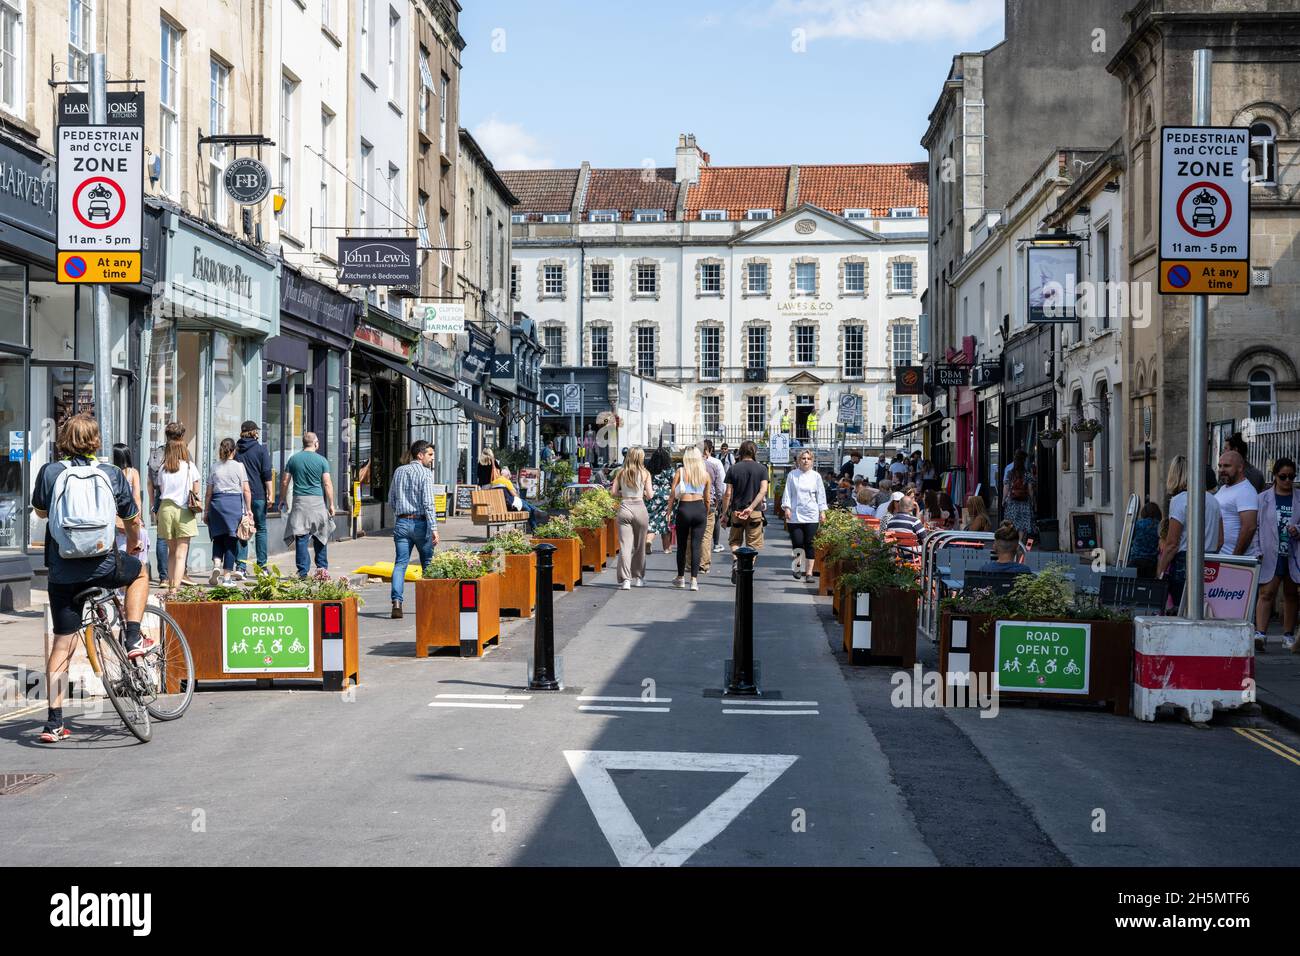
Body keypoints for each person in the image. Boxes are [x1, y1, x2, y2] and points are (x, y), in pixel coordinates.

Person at [34, 415, 150, 743]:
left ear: (62, 440)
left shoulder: (50, 472)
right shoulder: (111, 473)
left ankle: (54, 722)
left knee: (62, 643)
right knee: (140, 573)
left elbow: (41, 513)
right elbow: (131, 518)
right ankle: (132, 636)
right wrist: (133, 543)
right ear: (96, 441)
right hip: (103, 565)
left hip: (62, 571)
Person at [1157, 455, 1224, 611]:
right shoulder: (1213, 500)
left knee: (1182, 612)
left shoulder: (1179, 500)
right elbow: (1220, 540)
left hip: (1184, 562)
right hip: (1210, 562)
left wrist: (1160, 570)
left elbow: (1172, 544)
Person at [388, 439, 440, 618]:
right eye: (430, 454)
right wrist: (434, 527)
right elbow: (428, 502)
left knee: (401, 564)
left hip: (402, 523)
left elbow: (392, 499)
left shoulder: (399, 471)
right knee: (428, 563)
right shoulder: (425, 474)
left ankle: (396, 602)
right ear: (420, 455)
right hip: (421, 523)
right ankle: (430, 603)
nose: (432, 458)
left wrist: (401, 514)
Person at [1254, 458, 1300, 652]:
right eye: (1283, 477)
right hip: (1270, 552)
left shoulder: (1299, 498)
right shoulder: (1262, 499)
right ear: (1275, 476)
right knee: (1267, 593)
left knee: (1291, 595)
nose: (1288, 481)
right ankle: (1260, 634)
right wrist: (1257, 550)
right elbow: (1255, 528)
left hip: (1293, 552)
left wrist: (1298, 529)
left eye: (1292, 476)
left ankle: (1288, 635)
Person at [281, 432, 336, 578]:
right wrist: (331, 504)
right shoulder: (322, 460)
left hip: (300, 502)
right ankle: (322, 569)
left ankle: (303, 571)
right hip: (317, 502)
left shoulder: (293, 459)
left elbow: (285, 481)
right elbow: (327, 483)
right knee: (321, 535)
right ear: (316, 443)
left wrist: (282, 499)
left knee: (301, 536)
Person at [156, 424, 202, 589]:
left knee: (172, 552)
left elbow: (161, 489)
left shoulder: (162, 468)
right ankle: (175, 589)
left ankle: (169, 585)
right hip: (183, 510)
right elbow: (196, 488)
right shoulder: (189, 467)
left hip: (166, 509)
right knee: (181, 554)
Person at [205, 437, 252, 583]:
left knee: (218, 537)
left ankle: (217, 564)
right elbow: (246, 490)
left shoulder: (215, 467)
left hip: (217, 504)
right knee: (231, 541)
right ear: (234, 450)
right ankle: (226, 578)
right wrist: (249, 510)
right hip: (233, 504)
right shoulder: (239, 466)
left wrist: (206, 511)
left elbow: (208, 492)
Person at [721, 439, 769, 582]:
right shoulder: (762, 469)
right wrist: (751, 507)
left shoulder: (733, 468)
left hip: (736, 512)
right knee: (752, 544)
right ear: (755, 452)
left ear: (741, 452)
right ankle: (746, 569)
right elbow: (763, 491)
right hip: (754, 512)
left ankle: (736, 561)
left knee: (735, 541)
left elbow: (728, 493)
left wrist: (724, 514)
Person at [147, 421, 186, 585]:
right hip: (180, 499)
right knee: (181, 542)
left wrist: (152, 505)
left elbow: (150, 482)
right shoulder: (182, 453)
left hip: (160, 497)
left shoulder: (156, 454)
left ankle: (164, 576)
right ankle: (179, 575)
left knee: (163, 538)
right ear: (181, 436)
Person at [669, 447, 711, 590]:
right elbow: (707, 498)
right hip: (699, 508)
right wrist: (706, 511)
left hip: (684, 508)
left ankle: (681, 577)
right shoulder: (705, 474)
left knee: (681, 546)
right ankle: (694, 580)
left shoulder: (680, 472)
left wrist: (669, 511)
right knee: (696, 545)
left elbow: (672, 495)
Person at [783, 449, 827, 583]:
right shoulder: (792, 475)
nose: (806, 461)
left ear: (812, 461)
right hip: (795, 514)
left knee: (810, 543)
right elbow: (788, 492)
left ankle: (809, 573)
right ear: (798, 461)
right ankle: (797, 567)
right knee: (797, 542)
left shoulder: (816, 476)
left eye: (808, 458)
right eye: (803, 458)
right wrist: (787, 508)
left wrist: (822, 511)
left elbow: (821, 494)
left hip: (811, 514)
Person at [612, 446, 653, 590]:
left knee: (625, 546)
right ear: (641, 458)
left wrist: (624, 494)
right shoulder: (645, 473)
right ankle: (639, 577)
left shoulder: (621, 472)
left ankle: (626, 580)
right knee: (640, 546)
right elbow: (650, 495)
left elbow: (613, 492)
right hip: (640, 508)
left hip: (625, 508)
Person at [235, 420, 273, 573]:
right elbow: (267, 473)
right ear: (254, 432)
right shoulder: (261, 449)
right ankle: (262, 567)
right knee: (261, 529)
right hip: (258, 495)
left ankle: (241, 567)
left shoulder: (236, 450)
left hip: (240, 495)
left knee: (242, 528)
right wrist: (270, 494)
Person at [1216, 450, 1260, 558]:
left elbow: (1249, 527)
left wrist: (1235, 557)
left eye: (1226, 466)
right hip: (1221, 556)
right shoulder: (1223, 488)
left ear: (1240, 468)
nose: (1222, 470)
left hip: (1232, 558)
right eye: (1220, 466)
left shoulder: (1245, 491)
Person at [111, 444, 147, 561]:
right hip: (129, 516)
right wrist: (139, 518)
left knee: (117, 552)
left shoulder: (111, 473)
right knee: (134, 553)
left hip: (114, 519)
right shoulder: (133, 473)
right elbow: (137, 497)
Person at [699, 440, 728, 565]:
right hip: (711, 500)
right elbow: (721, 483)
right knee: (711, 524)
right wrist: (721, 498)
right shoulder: (715, 463)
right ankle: (715, 544)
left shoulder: (690, 464)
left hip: (693, 501)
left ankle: (691, 562)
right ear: (709, 450)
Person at [493, 466, 543, 532]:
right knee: (528, 509)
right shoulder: (506, 481)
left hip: (500, 507)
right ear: (507, 475)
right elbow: (515, 495)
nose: (509, 478)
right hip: (510, 506)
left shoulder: (494, 482)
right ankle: (535, 528)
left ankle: (535, 511)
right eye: (509, 477)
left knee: (528, 507)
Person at [645, 447, 676, 554]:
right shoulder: (670, 470)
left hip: (652, 497)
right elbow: (674, 484)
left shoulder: (649, 469)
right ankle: (667, 548)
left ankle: (648, 541)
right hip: (667, 499)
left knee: (652, 523)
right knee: (666, 523)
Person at [1003, 456, 1035, 542]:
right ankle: (1020, 542)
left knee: (1012, 521)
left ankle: (1013, 540)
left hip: (1012, 501)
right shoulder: (1027, 474)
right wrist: (1032, 501)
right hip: (1024, 501)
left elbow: (1006, 487)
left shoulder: (1010, 473)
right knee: (1023, 523)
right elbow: (1030, 489)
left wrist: (1003, 499)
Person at [1127, 502, 1162, 579]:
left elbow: (1130, 539)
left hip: (1135, 560)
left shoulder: (1138, 524)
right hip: (1151, 562)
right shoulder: (1159, 525)